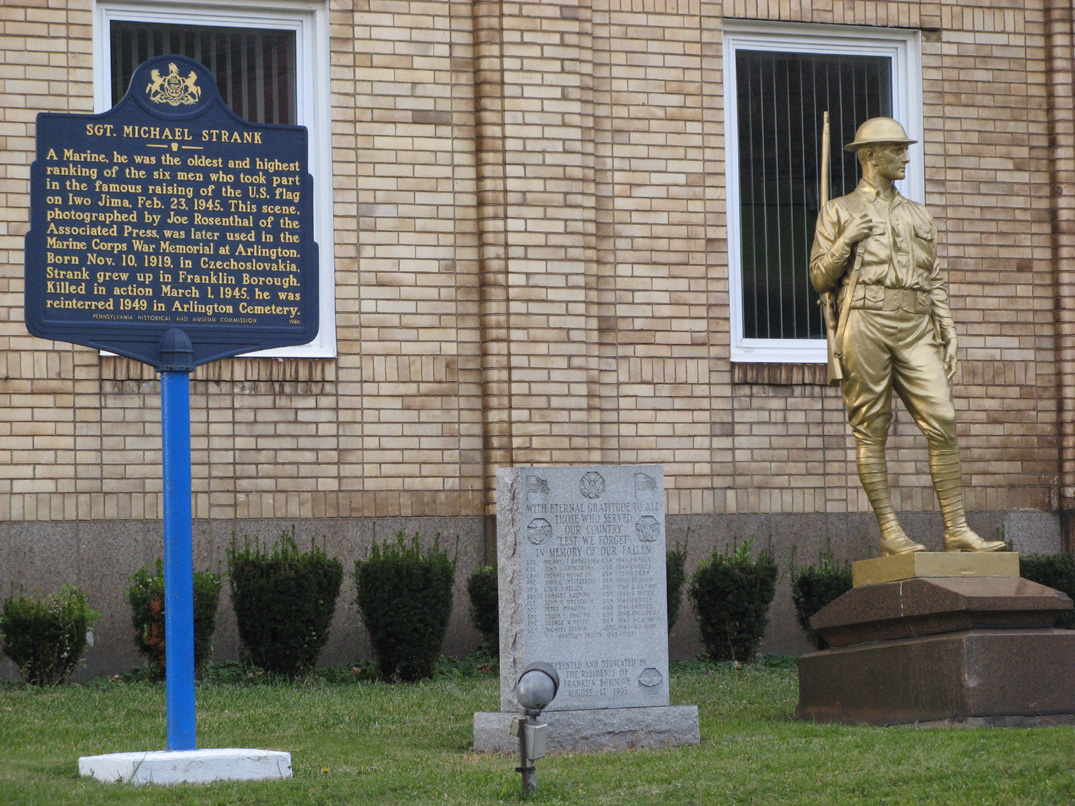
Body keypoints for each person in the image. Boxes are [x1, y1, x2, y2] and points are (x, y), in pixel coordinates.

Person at [809, 117, 1004, 556]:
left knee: (944, 420)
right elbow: (821, 279)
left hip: (916, 324)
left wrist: (948, 329)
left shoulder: (919, 213)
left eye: (904, 149)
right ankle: (891, 533)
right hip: (865, 319)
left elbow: (933, 277)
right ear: (870, 155)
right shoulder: (839, 210)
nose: (906, 157)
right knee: (871, 430)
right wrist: (845, 241)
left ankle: (957, 529)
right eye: (897, 150)